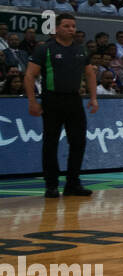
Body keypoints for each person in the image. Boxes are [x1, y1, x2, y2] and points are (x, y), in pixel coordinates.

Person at [24, 14, 98, 197]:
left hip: (74, 100)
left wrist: (93, 98)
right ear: (56, 29)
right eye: (66, 26)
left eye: (73, 26)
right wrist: (32, 101)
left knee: (78, 142)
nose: (71, 29)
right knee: (50, 143)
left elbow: (89, 74)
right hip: (52, 100)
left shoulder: (80, 50)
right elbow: (29, 75)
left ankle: (73, 183)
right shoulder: (45, 49)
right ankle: (51, 185)